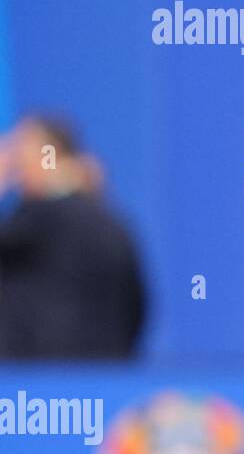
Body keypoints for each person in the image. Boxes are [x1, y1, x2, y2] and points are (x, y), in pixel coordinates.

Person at [0, 115, 145, 359]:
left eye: (20, 160)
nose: (18, 174)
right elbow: (137, 309)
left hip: (32, 387)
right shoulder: (112, 224)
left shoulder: (33, 223)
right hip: (101, 383)